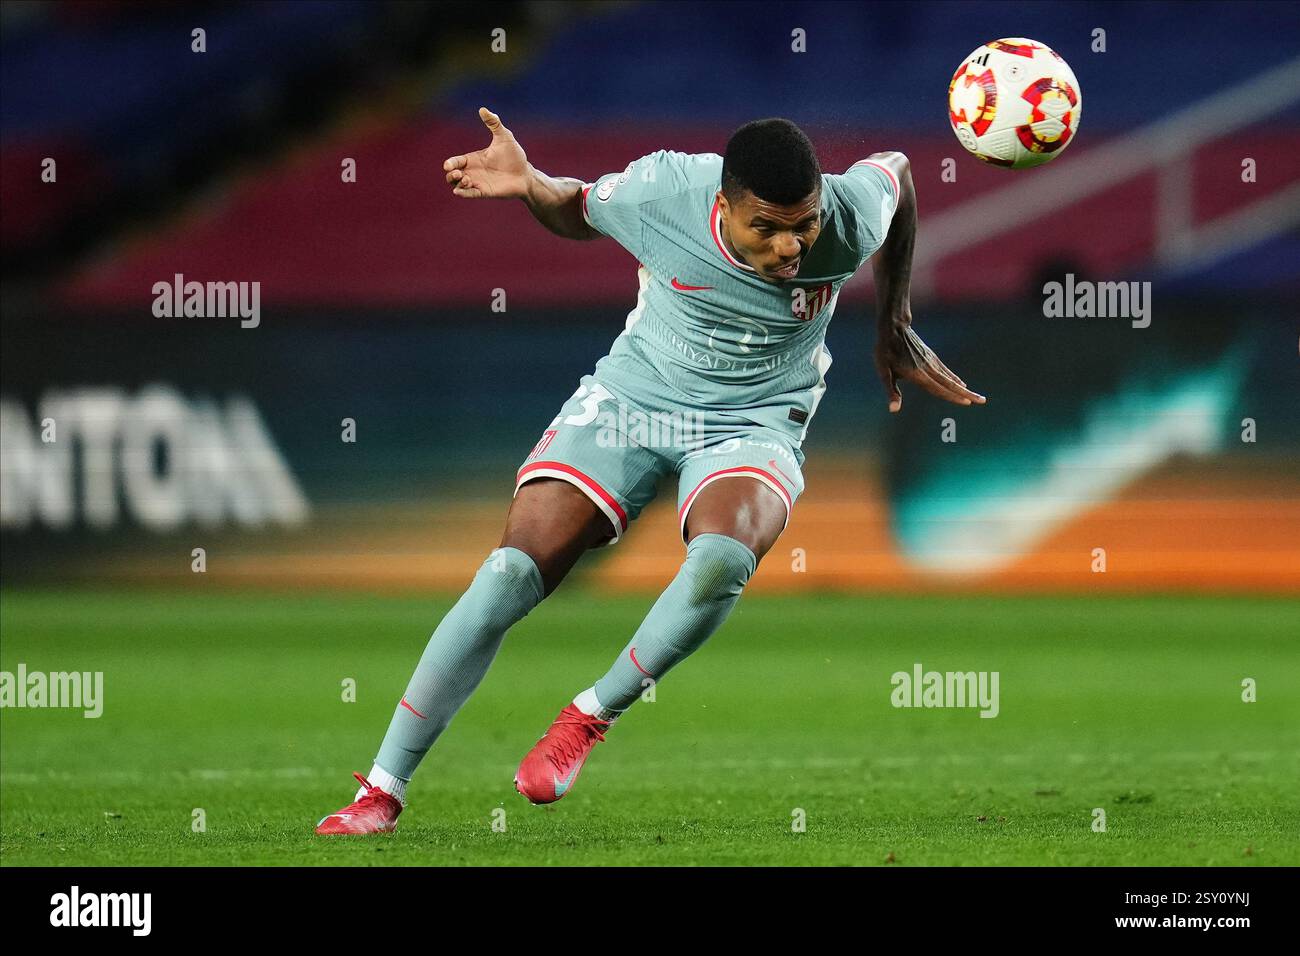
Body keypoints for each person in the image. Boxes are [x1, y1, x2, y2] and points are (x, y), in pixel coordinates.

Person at [316, 107, 983, 834]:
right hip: (637, 396)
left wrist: (894, 321)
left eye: (804, 224)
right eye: (768, 227)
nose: (792, 246)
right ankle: (381, 791)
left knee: (721, 558)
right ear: (722, 207)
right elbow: (577, 211)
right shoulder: (663, 192)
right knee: (508, 575)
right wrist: (530, 182)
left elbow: (903, 176)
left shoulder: (849, 212)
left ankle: (589, 715)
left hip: (754, 419)